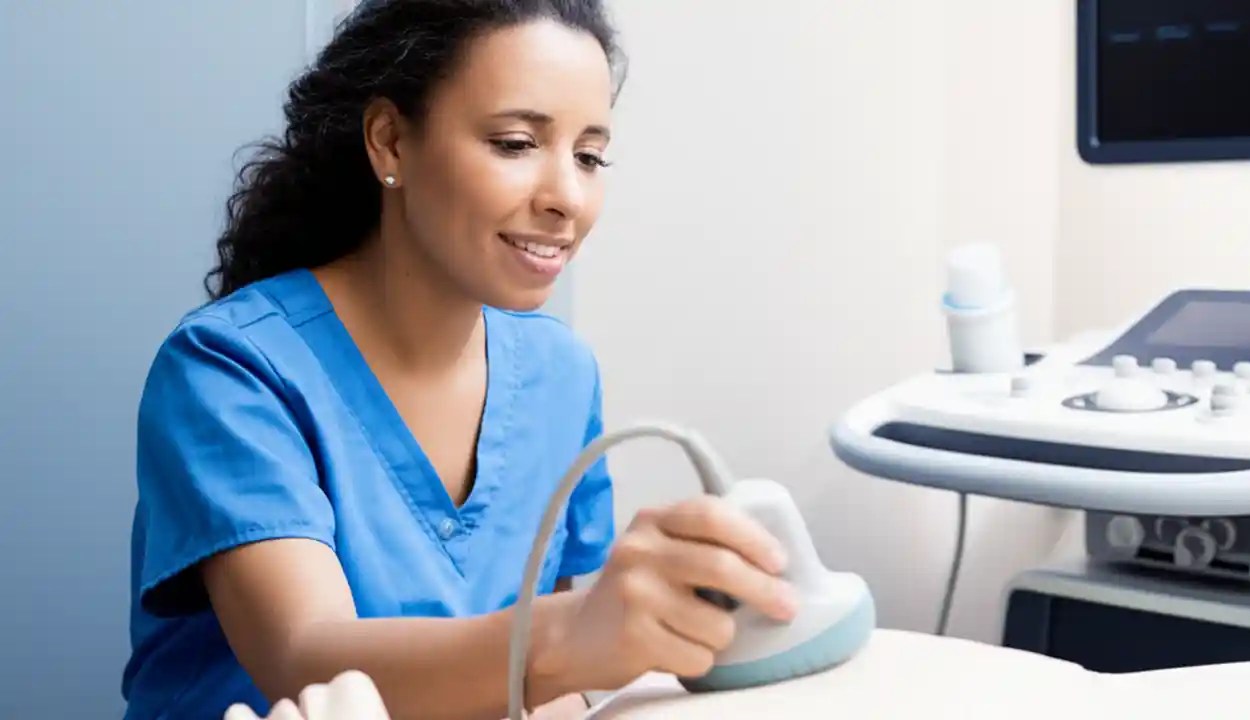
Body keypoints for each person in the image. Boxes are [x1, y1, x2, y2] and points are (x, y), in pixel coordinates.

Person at [121, 1, 798, 719]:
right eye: (514, 143)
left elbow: (546, 697)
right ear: (389, 142)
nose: (568, 197)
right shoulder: (229, 370)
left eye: (589, 156)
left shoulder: (559, 376)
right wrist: (574, 634)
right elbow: (308, 659)